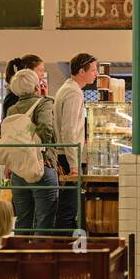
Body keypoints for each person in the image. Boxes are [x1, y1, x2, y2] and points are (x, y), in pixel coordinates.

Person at [6, 67, 59, 234]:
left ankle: (20, 257)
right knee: (44, 220)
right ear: (37, 85)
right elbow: (46, 127)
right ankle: (39, 258)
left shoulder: (12, 109)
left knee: (23, 220)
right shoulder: (44, 103)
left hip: (18, 169)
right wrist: (39, 145)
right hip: (41, 165)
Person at [52, 53, 97, 235]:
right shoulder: (73, 92)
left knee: (68, 206)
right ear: (81, 71)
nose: (96, 74)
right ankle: (63, 250)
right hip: (68, 157)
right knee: (68, 208)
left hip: (67, 155)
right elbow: (69, 130)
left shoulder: (69, 88)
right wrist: (74, 164)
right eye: (93, 70)